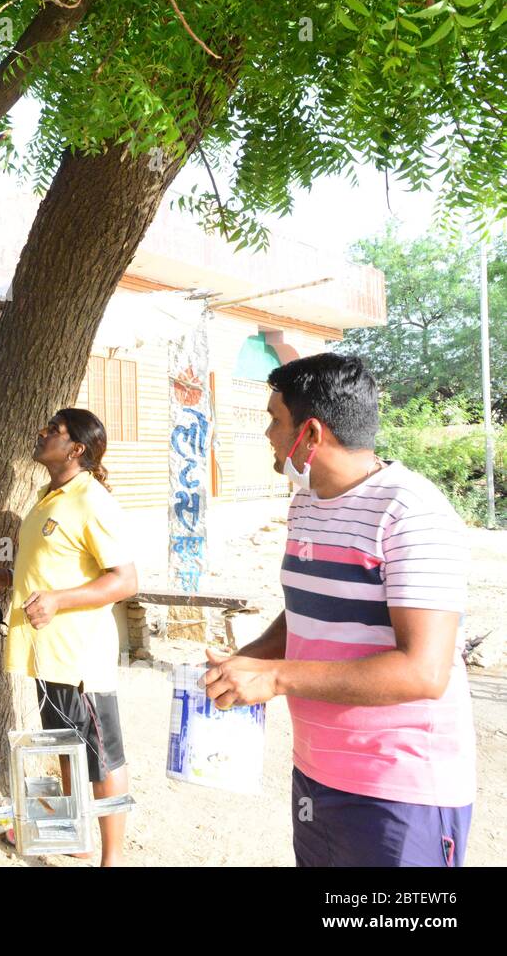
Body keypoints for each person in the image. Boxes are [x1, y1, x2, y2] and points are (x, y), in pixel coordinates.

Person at [203, 353, 475, 867]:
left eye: (274, 420)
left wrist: (277, 679)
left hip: (401, 788)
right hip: (317, 771)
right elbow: (310, 613)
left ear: (310, 433)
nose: (266, 433)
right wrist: (247, 662)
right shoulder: (306, 503)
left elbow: (423, 672)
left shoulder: (411, 513)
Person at [0, 409, 138, 866]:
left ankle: (113, 858)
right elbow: (51, 565)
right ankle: (78, 837)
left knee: (103, 759)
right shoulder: (48, 496)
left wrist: (59, 601)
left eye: (53, 430)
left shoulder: (92, 500)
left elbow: (124, 581)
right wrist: (4, 578)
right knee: (66, 748)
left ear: (76, 449)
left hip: (81, 657)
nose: (41, 433)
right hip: (47, 655)